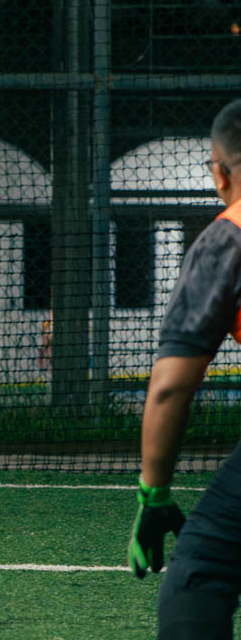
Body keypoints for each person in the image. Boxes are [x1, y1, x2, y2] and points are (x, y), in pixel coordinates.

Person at [129, 97, 241, 637]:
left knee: (201, 572)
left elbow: (171, 387)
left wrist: (155, 493)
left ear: (220, 174)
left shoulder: (227, 239)